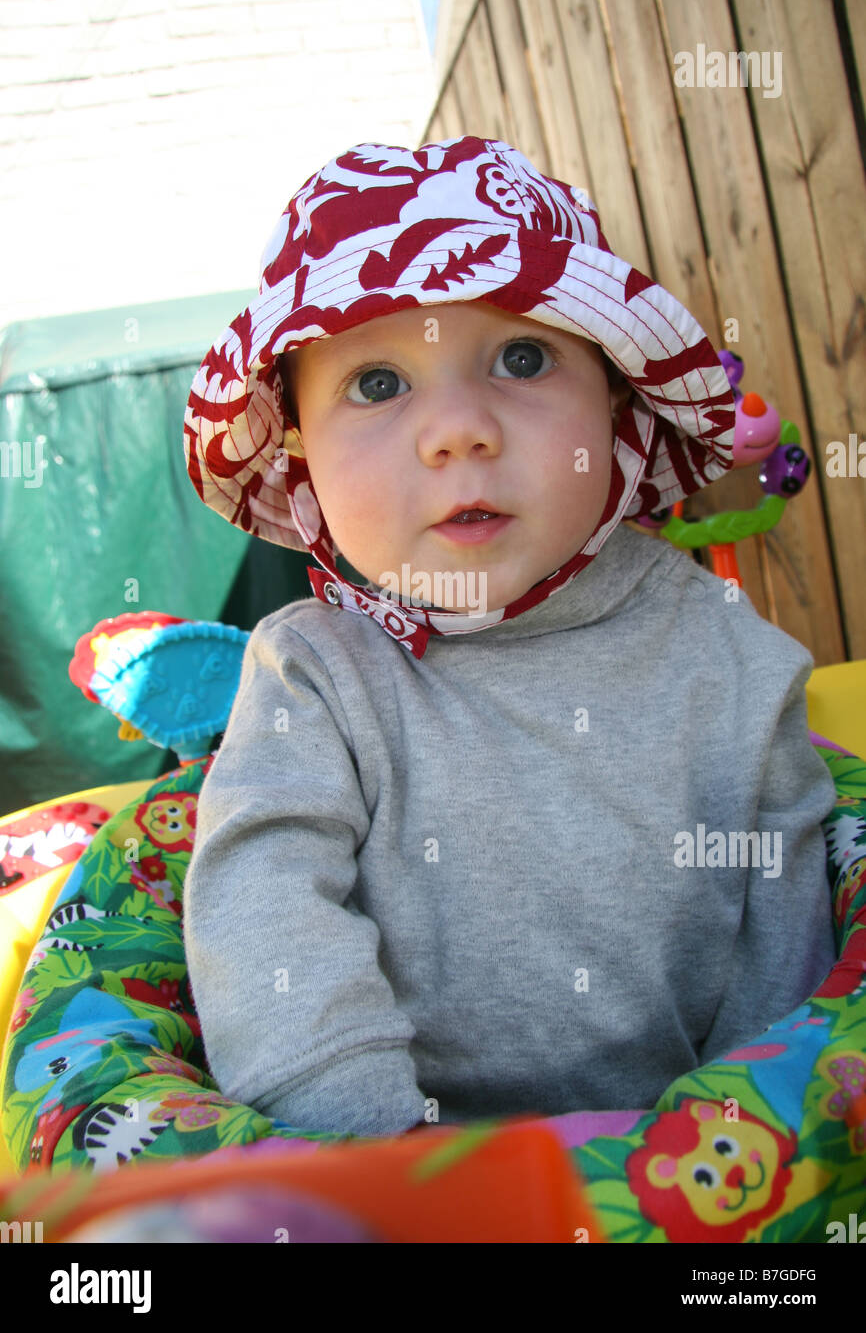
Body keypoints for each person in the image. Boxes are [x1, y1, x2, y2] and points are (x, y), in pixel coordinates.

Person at [182, 136, 837, 1137]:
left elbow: (782, 934)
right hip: (400, 1173)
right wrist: (375, 1158)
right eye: (376, 383)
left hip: (680, 1178)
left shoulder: (720, 648)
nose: (457, 431)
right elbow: (263, 911)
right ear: (302, 450)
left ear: (614, 401)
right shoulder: (311, 674)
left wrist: (728, 1143)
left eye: (520, 358)